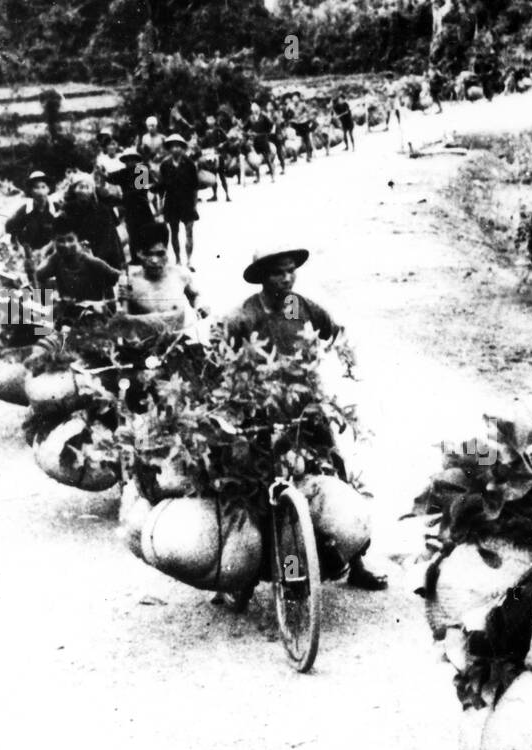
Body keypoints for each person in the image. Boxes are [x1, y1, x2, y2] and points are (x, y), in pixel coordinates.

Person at [221, 246, 389, 591]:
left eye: (289, 271)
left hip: (304, 407)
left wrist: (337, 353)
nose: (286, 278)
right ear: (262, 277)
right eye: (277, 273)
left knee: (334, 469)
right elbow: (220, 354)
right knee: (260, 488)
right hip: (261, 412)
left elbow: (330, 330)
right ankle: (247, 572)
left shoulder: (296, 305)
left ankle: (357, 560)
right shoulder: (246, 315)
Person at [122, 220, 203, 334]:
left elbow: (195, 296)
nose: (154, 260)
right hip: (144, 347)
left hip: (177, 344)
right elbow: (122, 320)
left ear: (167, 253)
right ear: (139, 254)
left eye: (160, 254)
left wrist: (200, 307)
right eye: (148, 254)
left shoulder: (180, 275)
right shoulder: (129, 282)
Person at [35, 226, 122, 326]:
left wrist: (107, 305)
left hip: (92, 316)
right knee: (28, 293)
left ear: (77, 241)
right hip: (68, 314)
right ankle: (39, 331)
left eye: (70, 240)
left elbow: (120, 278)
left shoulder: (90, 261)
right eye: (60, 241)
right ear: (54, 242)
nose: (66, 245)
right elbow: (38, 276)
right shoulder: (56, 260)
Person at [56, 173, 125, 272]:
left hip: (101, 255)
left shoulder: (102, 210)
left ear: (92, 191)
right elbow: (61, 234)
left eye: (87, 186)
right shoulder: (66, 210)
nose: (84, 189)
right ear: (74, 189)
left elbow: (109, 240)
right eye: (80, 186)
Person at [5, 170, 58, 284]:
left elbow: (62, 233)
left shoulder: (56, 208)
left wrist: (46, 250)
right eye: (36, 188)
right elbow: (10, 228)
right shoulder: (25, 210)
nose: (40, 191)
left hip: (50, 252)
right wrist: (20, 249)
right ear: (30, 191)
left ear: (48, 189)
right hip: (29, 254)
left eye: (43, 187)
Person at [154, 134, 199, 270]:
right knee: (174, 232)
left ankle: (189, 260)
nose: (176, 149)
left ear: (182, 148)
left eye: (178, 146)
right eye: (173, 146)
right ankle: (178, 259)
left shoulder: (189, 164)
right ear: (169, 149)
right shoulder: (165, 165)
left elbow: (195, 187)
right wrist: (160, 207)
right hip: (172, 204)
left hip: (187, 202)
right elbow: (161, 188)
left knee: (189, 232)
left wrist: (195, 205)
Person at [198, 114, 231, 201]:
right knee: (213, 175)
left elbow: (227, 140)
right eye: (208, 120)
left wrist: (222, 145)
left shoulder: (219, 130)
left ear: (214, 121)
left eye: (211, 120)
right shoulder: (207, 132)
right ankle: (215, 195)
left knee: (222, 175)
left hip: (219, 155)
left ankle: (227, 195)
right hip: (210, 155)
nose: (209, 122)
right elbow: (203, 144)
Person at [246, 102, 280, 180]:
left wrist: (266, 132)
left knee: (267, 158)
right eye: (253, 109)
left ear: (259, 109)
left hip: (263, 140)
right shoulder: (250, 118)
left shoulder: (263, 117)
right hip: (255, 141)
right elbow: (245, 128)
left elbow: (270, 125)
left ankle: (272, 176)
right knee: (256, 160)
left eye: (256, 108)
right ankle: (258, 178)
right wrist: (248, 133)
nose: (255, 110)